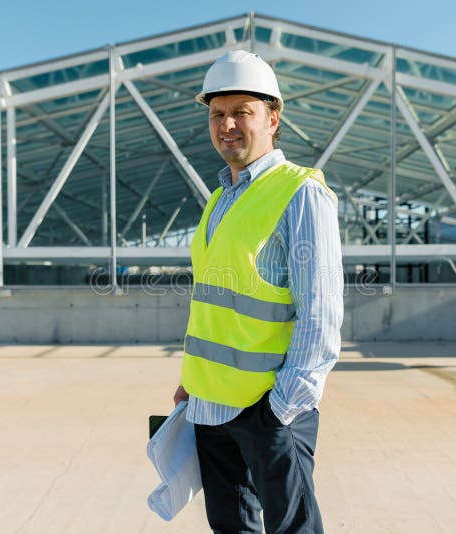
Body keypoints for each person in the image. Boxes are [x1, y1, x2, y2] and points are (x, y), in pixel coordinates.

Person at [172, 50, 343, 534]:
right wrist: (192, 381)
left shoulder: (301, 193)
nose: (227, 124)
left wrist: (282, 409)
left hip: (268, 410)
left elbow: (321, 313)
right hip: (209, 407)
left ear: (272, 117)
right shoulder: (220, 198)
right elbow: (212, 301)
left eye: (241, 111)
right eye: (217, 113)